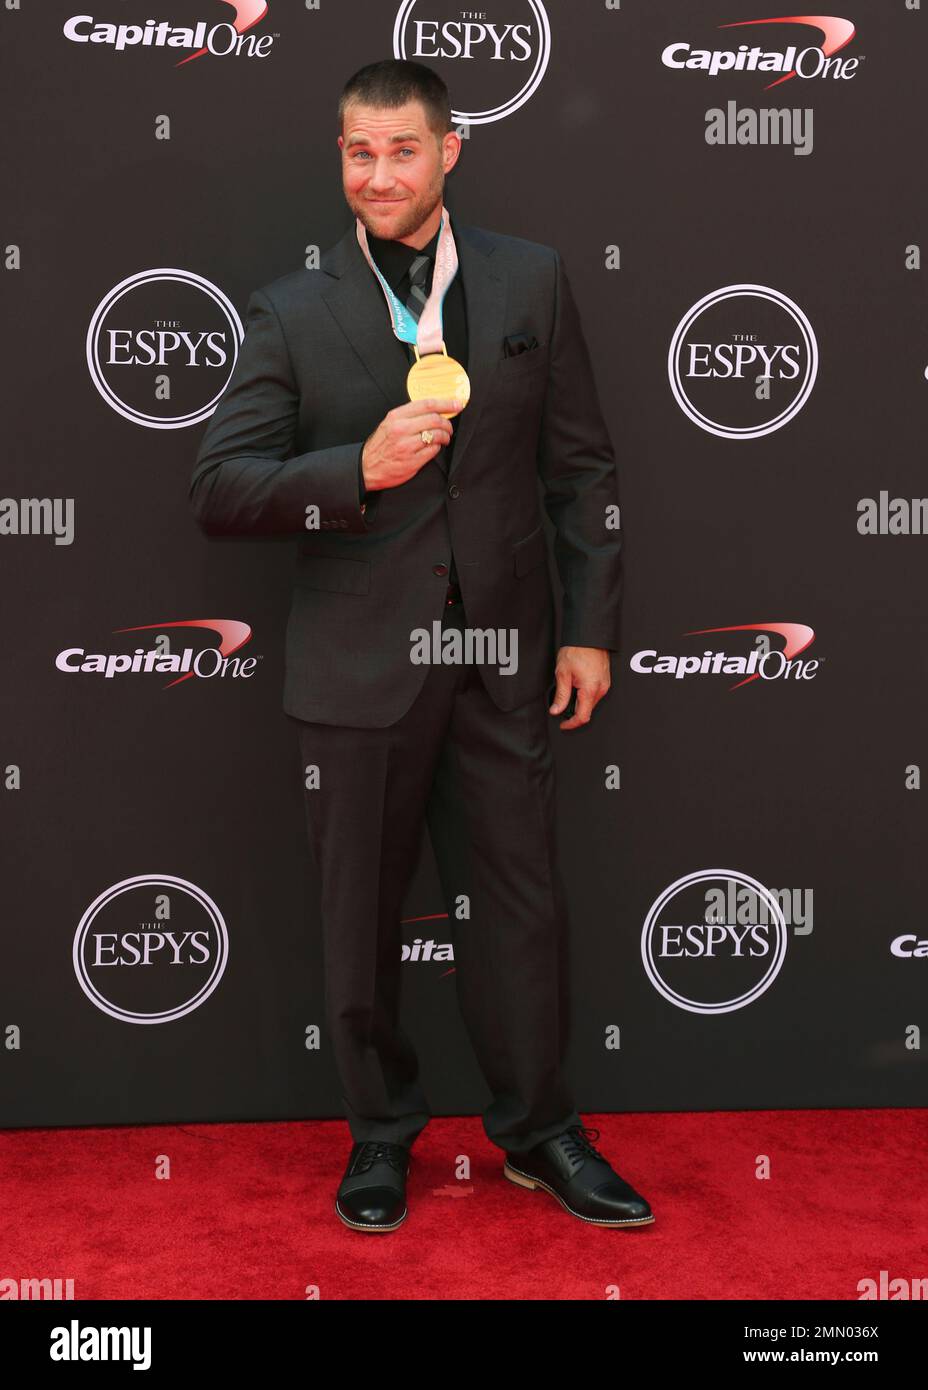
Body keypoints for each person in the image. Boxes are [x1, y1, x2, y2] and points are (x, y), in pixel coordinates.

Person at [190, 58, 653, 1234]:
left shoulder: (530, 283)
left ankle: (540, 1132)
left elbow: (583, 469)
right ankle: (380, 1138)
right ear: (338, 158)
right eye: (358, 151)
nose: (379, 173)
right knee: (358, 921)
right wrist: (355, 471)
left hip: (506, 661)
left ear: (450, 152)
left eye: (403, 150)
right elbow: (218, 489)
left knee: (522, 913)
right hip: (355, 674)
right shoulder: (290, 308)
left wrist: (590, 631)